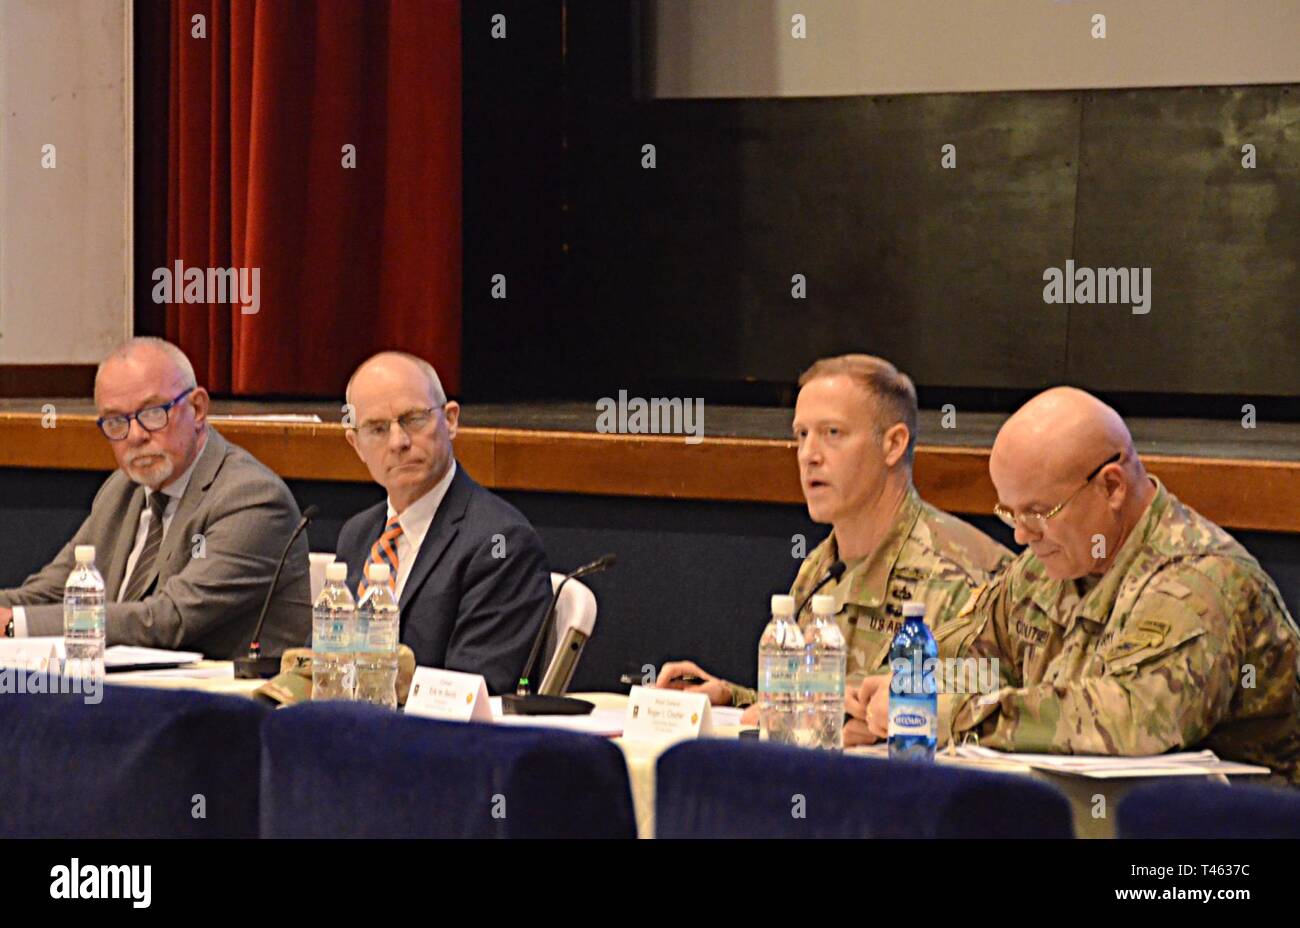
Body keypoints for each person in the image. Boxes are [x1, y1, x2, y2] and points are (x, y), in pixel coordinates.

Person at [848, 387, 1300, 784]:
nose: (1022, 535)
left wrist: (947, 714)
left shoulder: (1202, 581)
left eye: (1039, 512)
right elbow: (973, 657)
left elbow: (1131, 718)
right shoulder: (1047, 566)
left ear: (1112, 487)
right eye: (1011, 513)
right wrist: (892, 693)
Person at [656, 354, 1011, 712]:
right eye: (802, 434)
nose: (808, 455)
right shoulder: (820, 568)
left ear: (893, 444)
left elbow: (978, 718)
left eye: (832, 433)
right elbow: (815, 706)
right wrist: (731, 699)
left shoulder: (964, 577)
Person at [0, 337, 310, 658]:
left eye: (152, 413)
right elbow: (55, 589)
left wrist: (14, 625)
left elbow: (167, 619)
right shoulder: (121, 490)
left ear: (198, 408)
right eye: (116, 421)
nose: (135, 436)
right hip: (126, 688)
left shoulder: (251, 498)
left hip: (224, 699)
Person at [335, 351, 552, 695]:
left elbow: (473, 690)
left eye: (413, 419)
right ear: (356, 444)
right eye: (377, 429)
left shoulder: (500, 542)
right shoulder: (358, 534)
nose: (398, 442)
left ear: (450, 420)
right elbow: (325, 662)